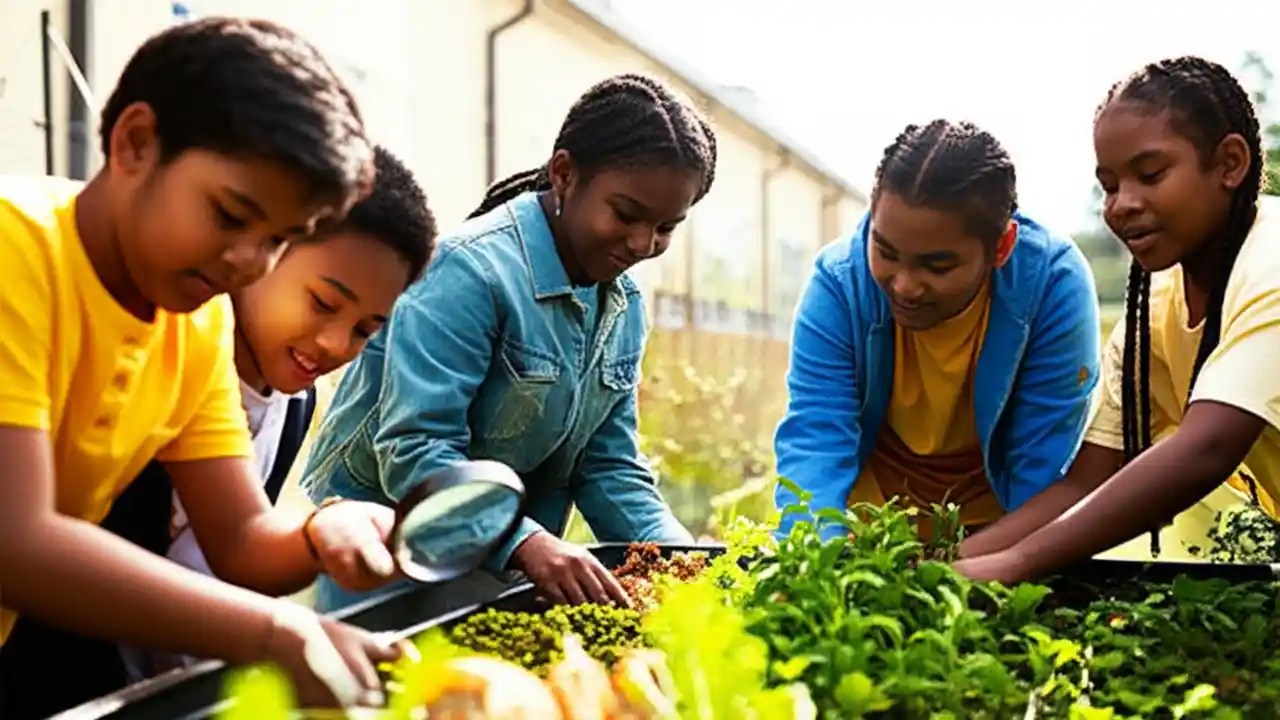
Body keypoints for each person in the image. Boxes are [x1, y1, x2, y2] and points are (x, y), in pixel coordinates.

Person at [0, 18, 406, 717]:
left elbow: (243, 541)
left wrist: (323, 529)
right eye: (230, 214)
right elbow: (16, 539)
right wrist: (274, 634)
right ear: (134, 142)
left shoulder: (197, 321)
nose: (249, 262)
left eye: (280, 240)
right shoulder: (16, 249)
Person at [301, 72, 716, 612]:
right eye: (626, 214)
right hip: (387, 554)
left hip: (499, 558)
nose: (643, 243)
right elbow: (414, 451)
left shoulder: (622, 304)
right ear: (565, 174)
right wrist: (526, 543)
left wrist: (684, 563)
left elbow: (606, 463)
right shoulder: (468, 272)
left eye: (666, 227)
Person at [955, 56, 1280, 584]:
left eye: (1151, 175)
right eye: (1109, 185)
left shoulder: (1271, 263)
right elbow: (1086, 483)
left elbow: (1208, 448)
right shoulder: (1154, 301)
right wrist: (954, 561)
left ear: (1229, 163)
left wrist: (1013, 566)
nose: (1122, 205)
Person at [773, 119, 1101, 543]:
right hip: (871, 527)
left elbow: (1041, 468)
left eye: (937, 266)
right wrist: (813, 561)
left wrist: (1005, 568)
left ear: (1001, 247)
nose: (905, 285)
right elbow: (817, 436)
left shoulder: (1051, 287)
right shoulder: (840, 284)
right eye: (885, 252)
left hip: (998, 528)